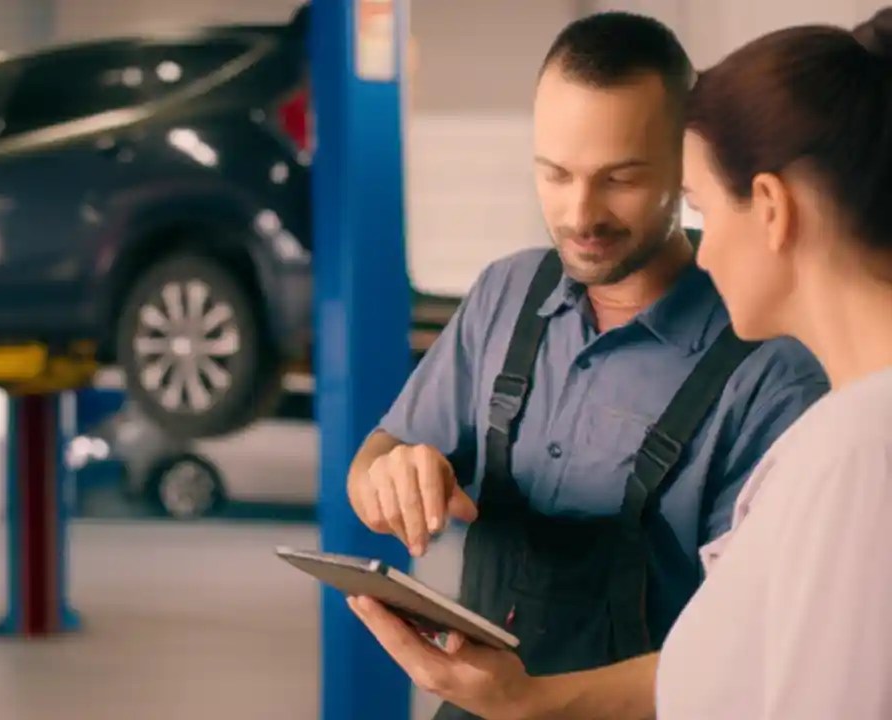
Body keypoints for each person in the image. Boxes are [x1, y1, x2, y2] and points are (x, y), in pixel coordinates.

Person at [343, 11, 831, 720]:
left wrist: (533, 704)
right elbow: (373, 459)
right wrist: (383, 478)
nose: (580, 213)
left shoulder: (768, 376)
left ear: (685, 166)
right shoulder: (505, 294)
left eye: (620, 179)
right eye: (556, 173)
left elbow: (753, 656)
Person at [654, 9, 892, 718]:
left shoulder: (860, 451)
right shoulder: (851, 432)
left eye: (700, 211)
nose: (701, 253)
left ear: (769, 208)